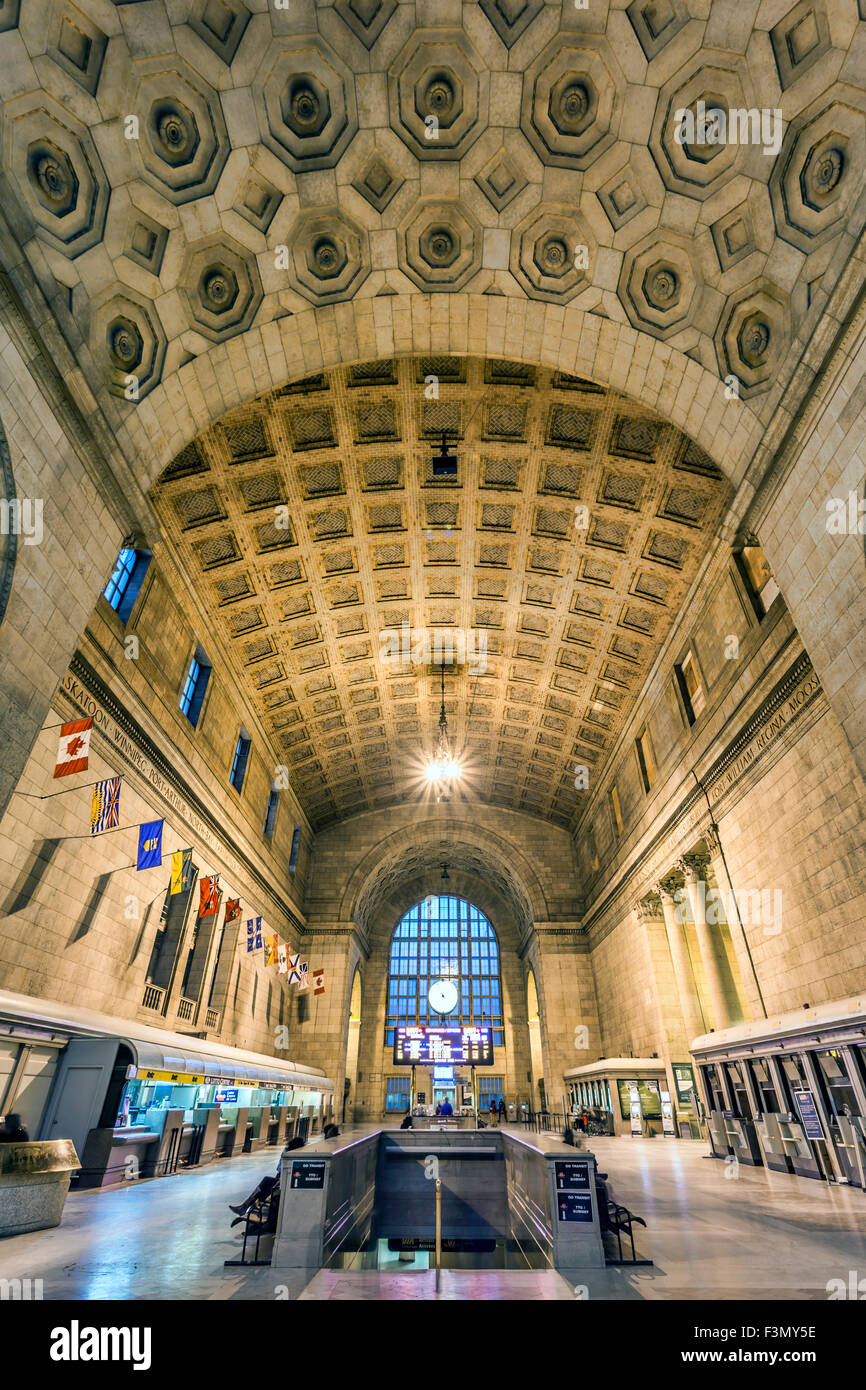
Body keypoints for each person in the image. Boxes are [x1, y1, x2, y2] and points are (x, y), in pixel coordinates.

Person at [229, 1135, 303, 1223]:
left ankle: (247, 1207)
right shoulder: (291, 1154)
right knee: (266, 1183)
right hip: (283, 1182)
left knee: (266, 1184)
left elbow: (283, 1172)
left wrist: (280, 1180)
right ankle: (248, 1208)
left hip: (286, 1185)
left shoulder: (293, 1157)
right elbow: (280, 1171)